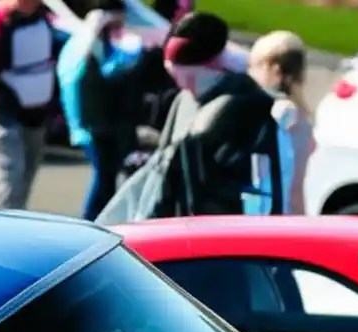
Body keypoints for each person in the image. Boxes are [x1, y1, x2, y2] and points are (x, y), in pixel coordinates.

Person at [97, 12, 281, 222]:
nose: (184, 87)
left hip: (220, 223)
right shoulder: (184, 100)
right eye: (176, 78)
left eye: (190, 78)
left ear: (213, 66)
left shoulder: (243, 107)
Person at [0, 0, 58, 210]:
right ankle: (0, 234)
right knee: (9, 182)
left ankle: (18, 230)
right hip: (7, 116)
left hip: (36, 116)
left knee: (25, 181)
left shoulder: (41, 17)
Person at [57, 0, 142, 220]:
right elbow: (91, 77)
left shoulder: (95, 42)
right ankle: (91, 219)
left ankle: (99, 218)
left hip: (98, 123)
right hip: (91, 124)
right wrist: (128, 65)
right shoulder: (85, 45)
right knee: (103, 176)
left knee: (107, 176)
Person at [248, 31, 313, 215]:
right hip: (286, 219)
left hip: (264, 218)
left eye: (254, 66)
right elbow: (297, 190)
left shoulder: (276, 113)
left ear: (272, 69)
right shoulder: (302, 119)